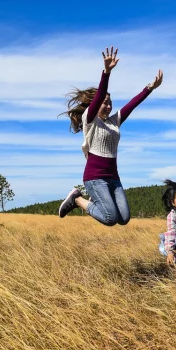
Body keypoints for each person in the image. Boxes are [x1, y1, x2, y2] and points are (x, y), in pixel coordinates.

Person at [58, 46, 163, 225]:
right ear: (95, 104)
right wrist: (106, 72)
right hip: (95, 177)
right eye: (104, 103)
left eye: (110, 103)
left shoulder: (114, 121)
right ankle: (77, 199)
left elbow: (132, 104)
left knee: (123, 218)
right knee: (109, 218)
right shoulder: (90, 119)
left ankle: (88, 201)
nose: (108, 106)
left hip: (113, 176)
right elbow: (99, 96)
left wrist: (150, 88)